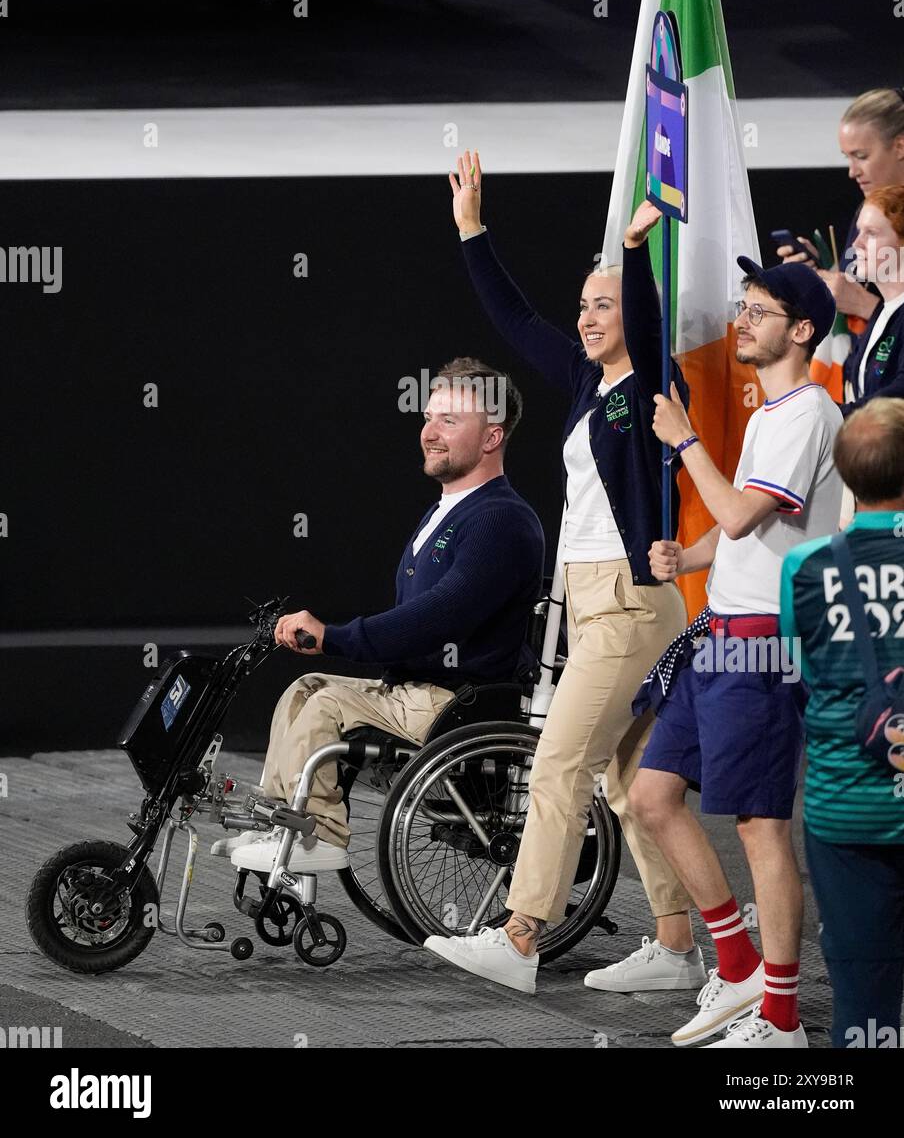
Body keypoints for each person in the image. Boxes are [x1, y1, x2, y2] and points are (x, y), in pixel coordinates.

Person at [425, 150, 700, 998]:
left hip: (629, 600)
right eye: (583, 304)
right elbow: (513, 319)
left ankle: (520, 936)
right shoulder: (588, 382)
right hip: (590, 603)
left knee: (556, 767)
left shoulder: (647, 384)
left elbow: (650, 327)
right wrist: (474, 230)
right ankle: (683, 945)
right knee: (630, 784)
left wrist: (641, 254)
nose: (586, 318)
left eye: (603, 305)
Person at [211, 357, 545, 874]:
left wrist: (336, 637)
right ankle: (279, 825)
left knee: (325, 707)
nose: (430, 433)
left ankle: (317, 836)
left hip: (459, 701)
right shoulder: (447, 512)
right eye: (428, 418)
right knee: (303, 691)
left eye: (449, 421)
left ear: (491, 437)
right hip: (415, 690)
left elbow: (438, 617)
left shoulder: (502, 520)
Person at [629, 256, 842, 1048]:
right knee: (652, 797)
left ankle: (782, 1019)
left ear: (803, 330)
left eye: (761, 311)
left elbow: (745, 516)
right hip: (719, 631)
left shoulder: (811, 414)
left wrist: (685, 442)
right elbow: (738, 519)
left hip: (762, 644)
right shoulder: (767, 415)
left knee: (760, 828)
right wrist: (687, 559)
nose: (743, 321)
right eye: (744, 306)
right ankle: (741, 962)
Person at [781, 398, 904, 1049]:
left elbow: (801, 669)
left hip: (842, 809)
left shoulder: (804, 568)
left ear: (847, 476)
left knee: (862, 997)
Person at [778, 87, 904, 323]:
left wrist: (865, 306)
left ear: (900, 147)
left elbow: (868, 301)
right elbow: (857, 282)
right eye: (848, 157)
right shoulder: (869, 211)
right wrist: (822, 268)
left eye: (862, 156)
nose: (852, 171)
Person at [841, 184, 904, 414]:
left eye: (872, 233)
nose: (856, 243)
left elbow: (899, 393)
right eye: (859, 231)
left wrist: (831, 416)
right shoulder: (884, 312)